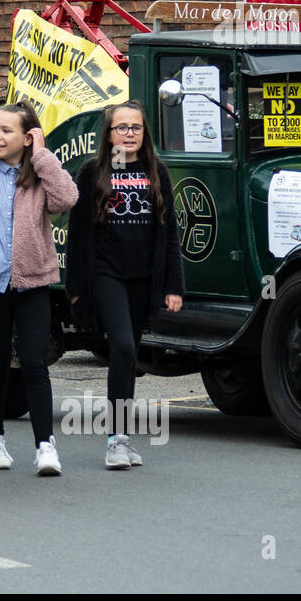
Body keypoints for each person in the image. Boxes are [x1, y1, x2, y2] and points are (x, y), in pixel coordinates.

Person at [0, 102, 78, 474]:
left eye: (6, 131)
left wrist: (42, 157)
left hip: (34, 283)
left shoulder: (40, 172)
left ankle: (45, 447)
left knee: (36, 364)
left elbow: (67, 199)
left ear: (27, 137)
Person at [66, 100, 184, 470]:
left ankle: (124, 437)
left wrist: (173, 286)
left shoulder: (156, 171)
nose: (129, 134)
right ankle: (115, 440)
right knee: (121, 344)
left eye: (135, 127)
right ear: (109, 134)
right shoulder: (92, 171)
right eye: (122, 128)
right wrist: (75, 287)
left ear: (143, 132)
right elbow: (79, 234)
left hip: (144, 277)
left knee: (130, 355)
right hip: (107, 274)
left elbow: (169, 232)